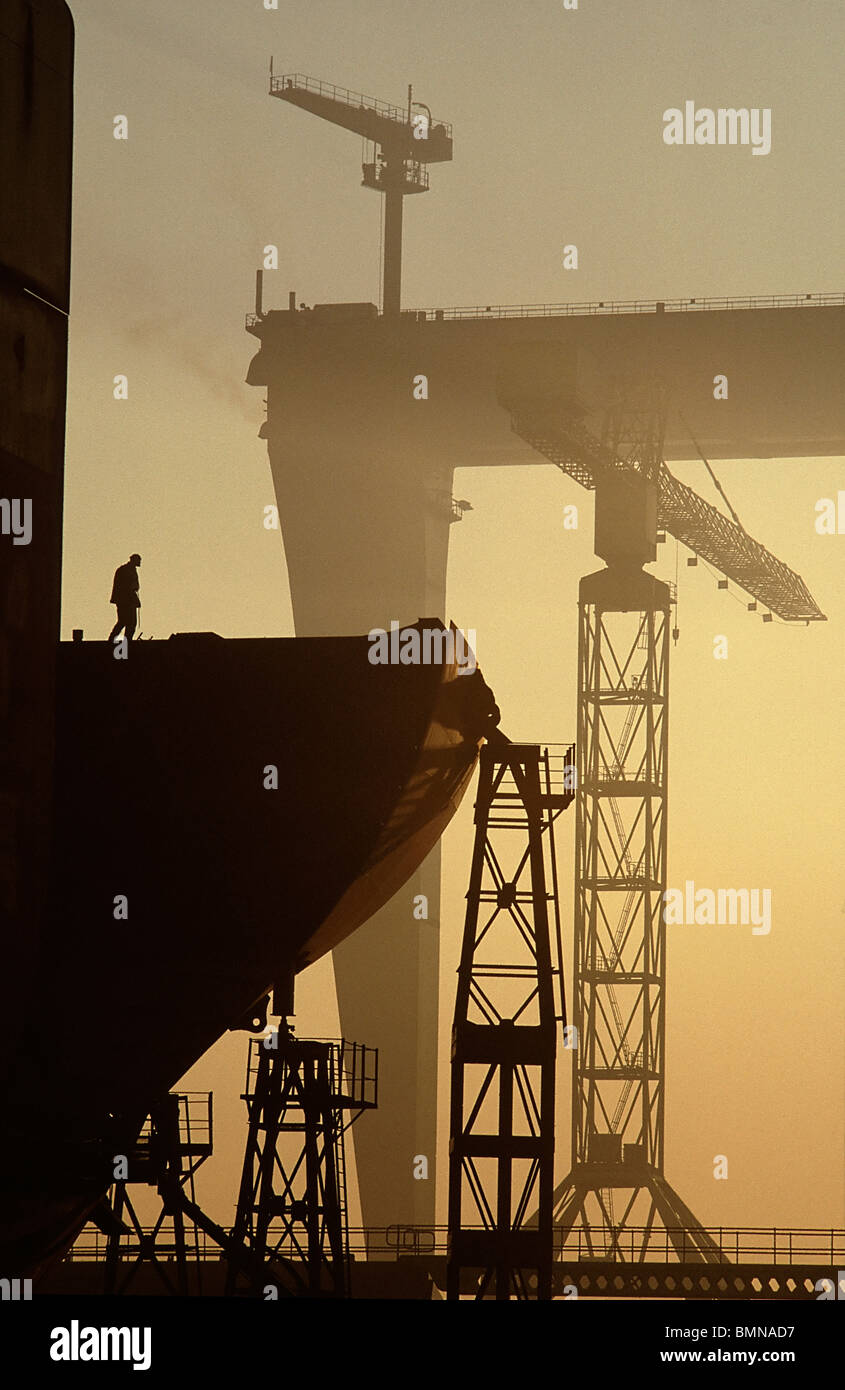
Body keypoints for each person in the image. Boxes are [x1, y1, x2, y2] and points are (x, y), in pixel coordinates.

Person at [108, 553, 141, 641]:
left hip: (127, 600)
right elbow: (126, 587)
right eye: (138, 560)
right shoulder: (125, 570)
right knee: (124, 621)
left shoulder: (128, 569)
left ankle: (125, 640)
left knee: (129, 622)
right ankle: (114, 640)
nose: (140, 562)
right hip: (125, 601)